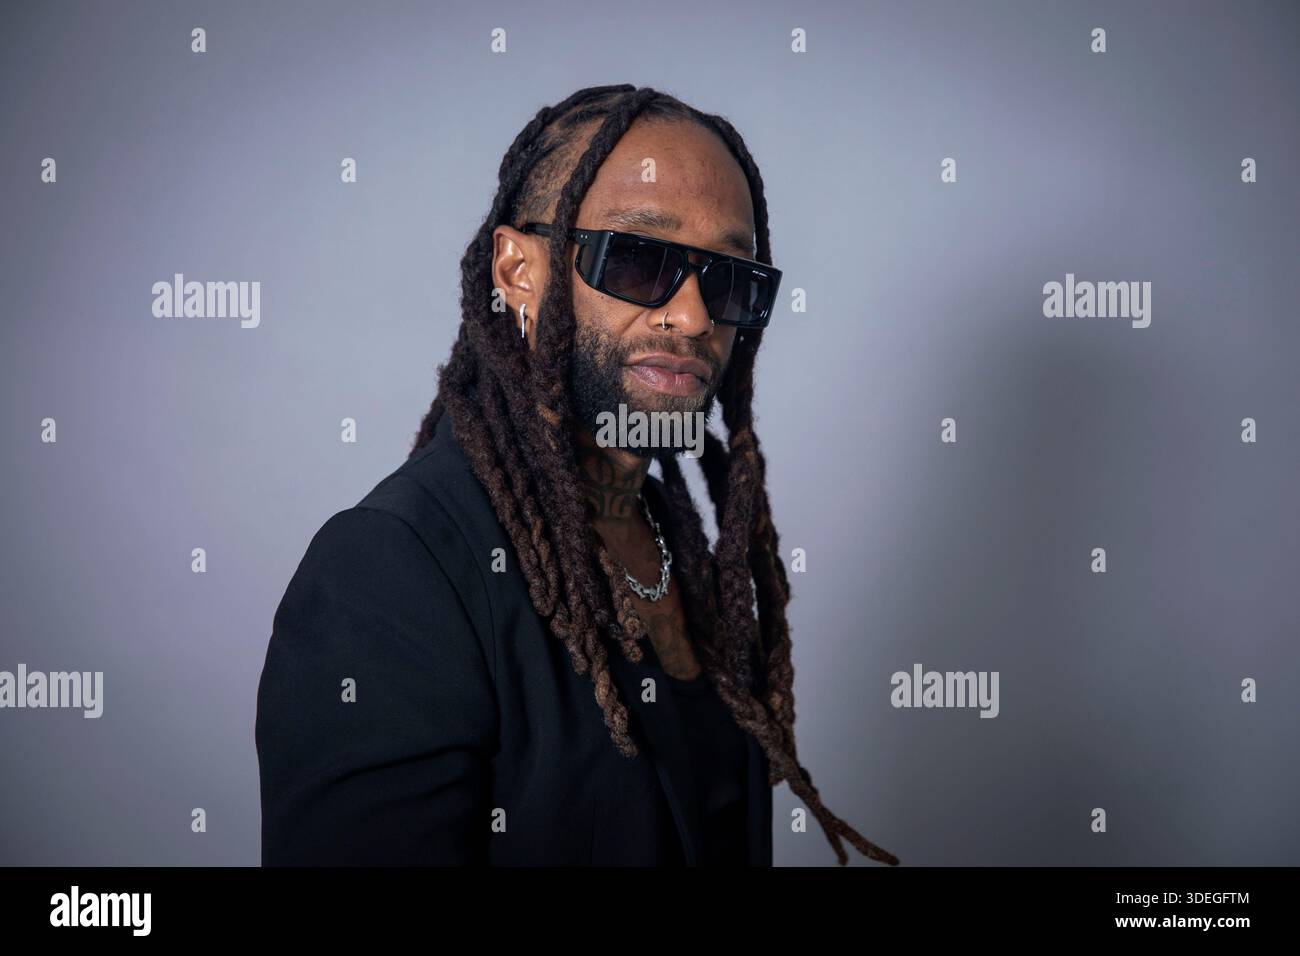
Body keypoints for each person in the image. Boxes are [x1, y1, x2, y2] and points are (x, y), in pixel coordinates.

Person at [255, 84, 897, 867]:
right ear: (518, 270)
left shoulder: (683, 549)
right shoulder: (390, 570)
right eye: (634, 258)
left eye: (728, 279)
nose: (693, 317)